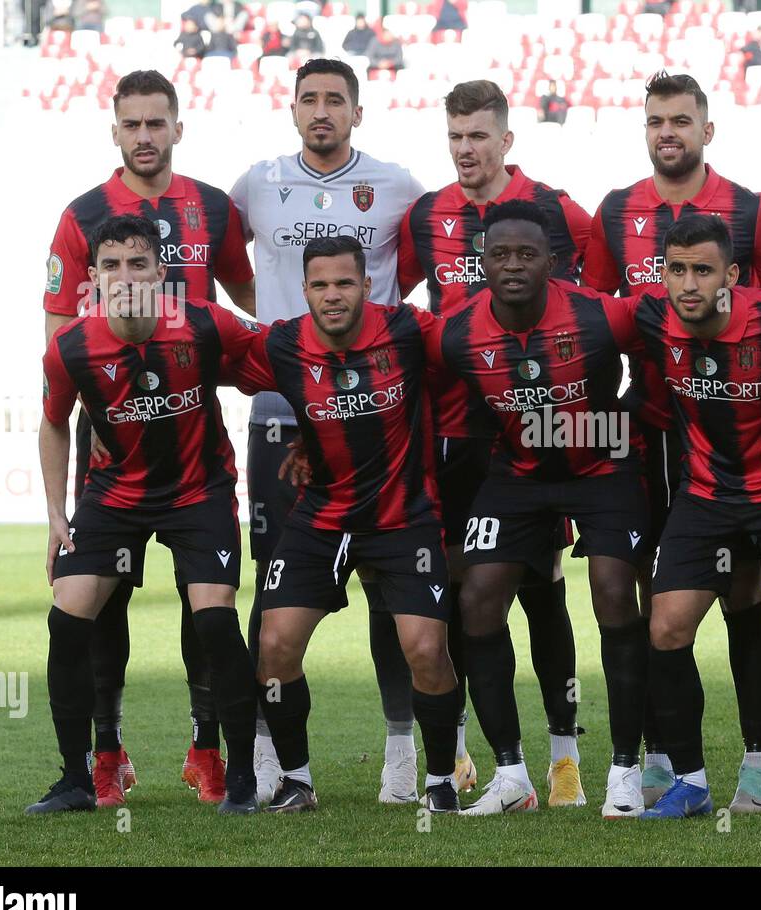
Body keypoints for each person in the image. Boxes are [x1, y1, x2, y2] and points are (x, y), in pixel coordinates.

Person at [583, 72, 761, 814]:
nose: (666, 131)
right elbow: (605, 320)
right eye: (654, 121)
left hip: (732, 438)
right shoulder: (614, 212)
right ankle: (669, 759)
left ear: (707, 130)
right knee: (656, 599)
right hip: (648, 433)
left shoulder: (751, 212)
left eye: (680, 119)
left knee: (743, 593)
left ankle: (760, 762)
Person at [42, 69, 256, 809]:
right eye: (130, 124)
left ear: (176, 126)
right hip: (112, 453)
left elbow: (254, 318)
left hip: (195, 452)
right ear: (115, 131)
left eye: (155, 123)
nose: (143, 136)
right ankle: (101, 758)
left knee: (209, 607)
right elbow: (59, 353)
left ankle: (212, 751)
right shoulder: (80, 217)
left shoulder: (216, 212)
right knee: (92, 607)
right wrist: (67, 491)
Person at [228, 57, 426, 806]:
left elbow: (407, 277)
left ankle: (404, 750)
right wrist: (287, 326)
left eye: (335, 100)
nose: (322, 112)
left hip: (374, 411)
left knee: (390, 587)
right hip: (284, 411)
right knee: (276, 584)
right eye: (309, 100)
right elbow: (233, 272)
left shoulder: (397, 185)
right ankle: (270, 754)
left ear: (357, 110)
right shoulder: (257, 183)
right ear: (292, 110)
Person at [397, 79, 592, 806]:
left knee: (541, 592)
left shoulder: (556, 210)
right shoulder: (427, 216)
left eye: (478, 137)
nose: (465, 150)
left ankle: (564, 759)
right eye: (454, 137)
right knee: (458, 595)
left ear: (506, 140)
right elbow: (409, 315)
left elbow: (590, 313)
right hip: (452, 436)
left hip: (531, 433)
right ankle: (466, 759)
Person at [433, 201, 652, 817]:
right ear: (481, 260)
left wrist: (633, 416)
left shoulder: (601, 315)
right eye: (499, 254)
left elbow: (665, 345)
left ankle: (625, 772)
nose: (512, 266)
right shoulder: (456, 331)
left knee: (612, 590)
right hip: (518, 472)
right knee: (476, 600)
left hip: (601, 461)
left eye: (526, 254)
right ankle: (512, 777)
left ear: (552, 262)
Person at [230, 236, 462, 814]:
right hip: (322, 516)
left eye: (344, 283)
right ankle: (296, 780)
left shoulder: (409, 331)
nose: (332, 296)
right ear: (304, 289)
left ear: (366, 285)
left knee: (427, 649)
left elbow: (474, 353)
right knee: (275, 643)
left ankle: (439, 782)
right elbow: (207, 351)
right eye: (320, 285)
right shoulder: (282, 345)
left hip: (401, 517)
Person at [628, 216, 761, 821]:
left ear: (732, 275)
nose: (688, 284)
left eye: (703, 270)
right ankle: (690, 782)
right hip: (705, 495)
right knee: (665, 627)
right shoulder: (650, 316)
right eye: (676, 270)